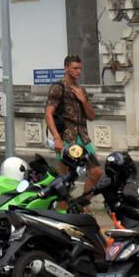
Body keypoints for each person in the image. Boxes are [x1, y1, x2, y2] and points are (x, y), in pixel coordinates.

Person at [45, 55, 101, 194]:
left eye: (80, 68)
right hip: (66, 137)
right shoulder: (58, 87)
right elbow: (48, 114)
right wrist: (57, 138)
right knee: (65, 180)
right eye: (75, 68)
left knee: (96, 172)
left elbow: (91, 116)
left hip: (82, 138)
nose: (78, 71)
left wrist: (83, 100)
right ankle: (63, 211)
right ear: (66, 68)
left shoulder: (80, 90)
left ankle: (83, 205)